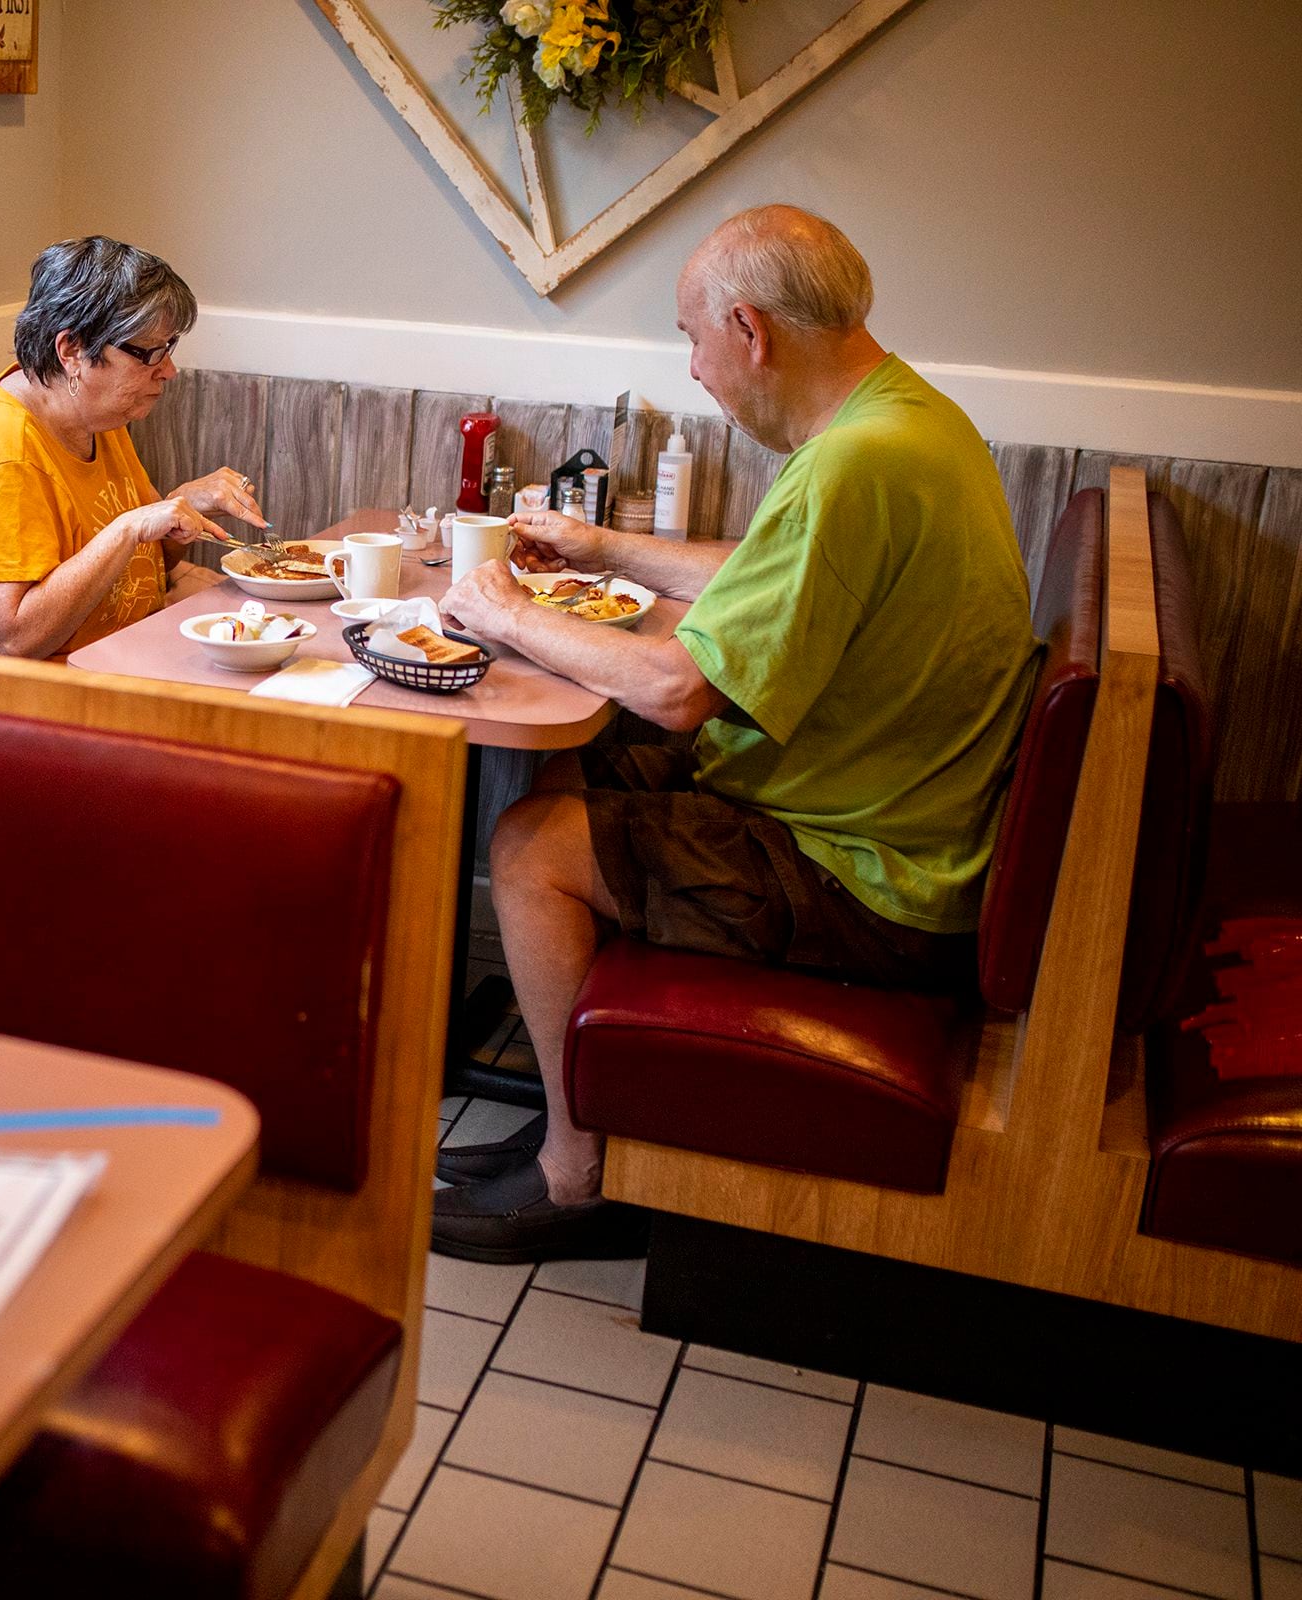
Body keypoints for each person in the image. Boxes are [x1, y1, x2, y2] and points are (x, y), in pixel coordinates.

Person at [430, 205, 1042, 1262]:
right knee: (573, 759)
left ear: (750, 329)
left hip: (877, 877)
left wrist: (506, 613)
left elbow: (676, 690)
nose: (696, 369)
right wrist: (602, 548)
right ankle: (597, 1103)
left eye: (693, 338)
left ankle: (576, 1175)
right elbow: (770, 570)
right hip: (897, 818)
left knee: (530, 849)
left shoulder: (853, 462)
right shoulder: (910, 420)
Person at [0, 236, 266, 657]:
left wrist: (183, 503)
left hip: (126, 648)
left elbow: (148, 567)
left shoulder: (93, 411)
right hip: (37, 687)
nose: (169, 370)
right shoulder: (5, 456)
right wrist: (127, 528)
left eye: (169, 348)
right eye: (149, 353)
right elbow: (14, 641)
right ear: (72, 350)